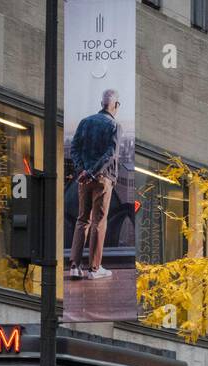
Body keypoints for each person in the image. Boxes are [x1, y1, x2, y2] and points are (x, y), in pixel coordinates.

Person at [68, 89, 121, 281]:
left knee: (82, 220)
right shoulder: (114, 126)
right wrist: (92, 172)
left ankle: (74, 266)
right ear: (115, 105)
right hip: (102, 178)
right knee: (99, 221)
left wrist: (82, 170)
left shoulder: (85, 122)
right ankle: (94, 268)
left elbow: (74, 148)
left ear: (101, 104)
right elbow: (110, 155)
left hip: (84, 178)